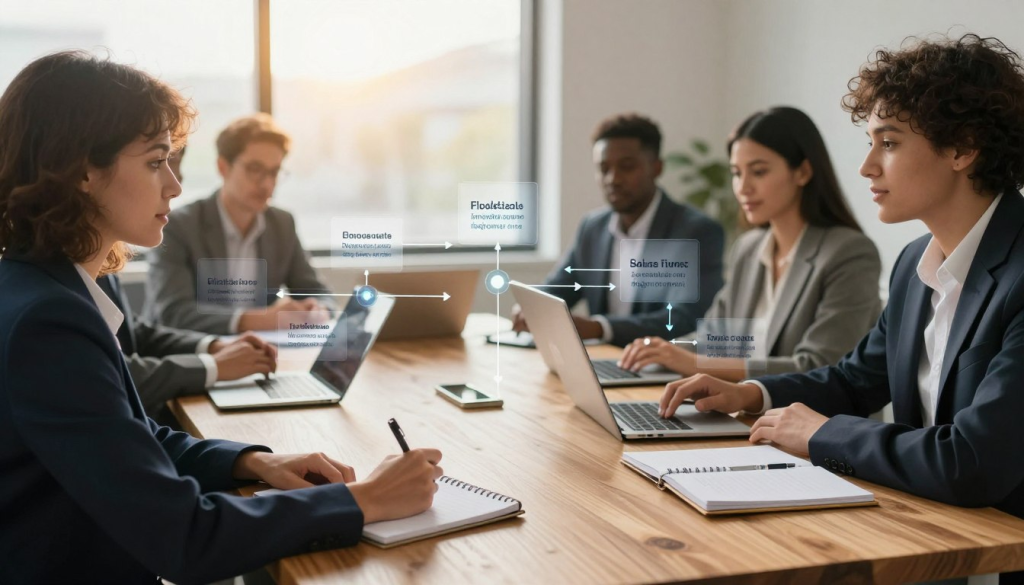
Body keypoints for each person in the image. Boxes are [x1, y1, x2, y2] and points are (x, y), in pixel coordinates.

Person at [0, 51, 442, 583]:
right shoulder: (48, 322)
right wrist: (364, 499)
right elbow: (185, 537)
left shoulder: (55, 288)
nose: (174, 185)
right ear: (83, 172)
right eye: (154, 161)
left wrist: (251, 462)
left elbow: (128, 438)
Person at [658, 34, 1024, 584]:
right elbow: (858, 380)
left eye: (890, 142)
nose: (867, 167)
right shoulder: (912, 265)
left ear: (962, 148)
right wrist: (753, 395)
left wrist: (822, 434)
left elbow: (971, 460)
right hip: (930, 538)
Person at [618, 107, 881, 381]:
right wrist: (660, 351)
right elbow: (713, 336)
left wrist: (695, 364)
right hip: (741, 413)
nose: (743, 187)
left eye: (758, 171)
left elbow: (820, 366)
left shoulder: (849, 253)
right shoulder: (749, 248)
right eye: (736, 173)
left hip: (811, 419)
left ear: (802, 172)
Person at [511, 113, 726, 347]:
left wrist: (598, 327)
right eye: (603, 168)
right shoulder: (593, 227)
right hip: (601, 362)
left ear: (656, 168)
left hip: (658, 369)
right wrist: (532, 307)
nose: (612, 179)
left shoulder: (695, 232)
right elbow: (559, 287)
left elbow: (684, 319)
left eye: (626, 167)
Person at [145, 113, 334, 335]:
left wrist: (317, 310)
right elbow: (174, 313)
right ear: (223, 167)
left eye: (274, 172)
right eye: (255, 169)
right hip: (193, 358)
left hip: (263, 355)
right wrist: (260, 321)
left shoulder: (282, 224)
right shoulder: (179, 226)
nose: (267, 184)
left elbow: (319, 292)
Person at [99, 272, 279, 422]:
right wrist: (212, 365)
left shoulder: (104, 268)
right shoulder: (73, 285)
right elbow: (112, 376)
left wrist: (214, 347)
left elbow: (135, 333)